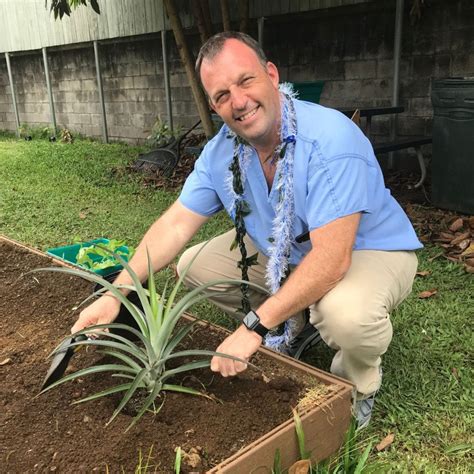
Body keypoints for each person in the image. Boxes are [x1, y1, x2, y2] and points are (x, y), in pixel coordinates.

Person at [72, 31, 422, 428]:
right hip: (288, 250)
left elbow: (331, 258)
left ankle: (353, 392)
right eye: (222, 95)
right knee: (194, 265)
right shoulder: (223, 150)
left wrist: (253, 326)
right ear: (213, 105)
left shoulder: (330, 139)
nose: (237, 101)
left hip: (368, 250)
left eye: (245, 81)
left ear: (271, 75)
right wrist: (118, 291)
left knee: (346, 315)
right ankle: (298, 317)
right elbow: (174, 223)